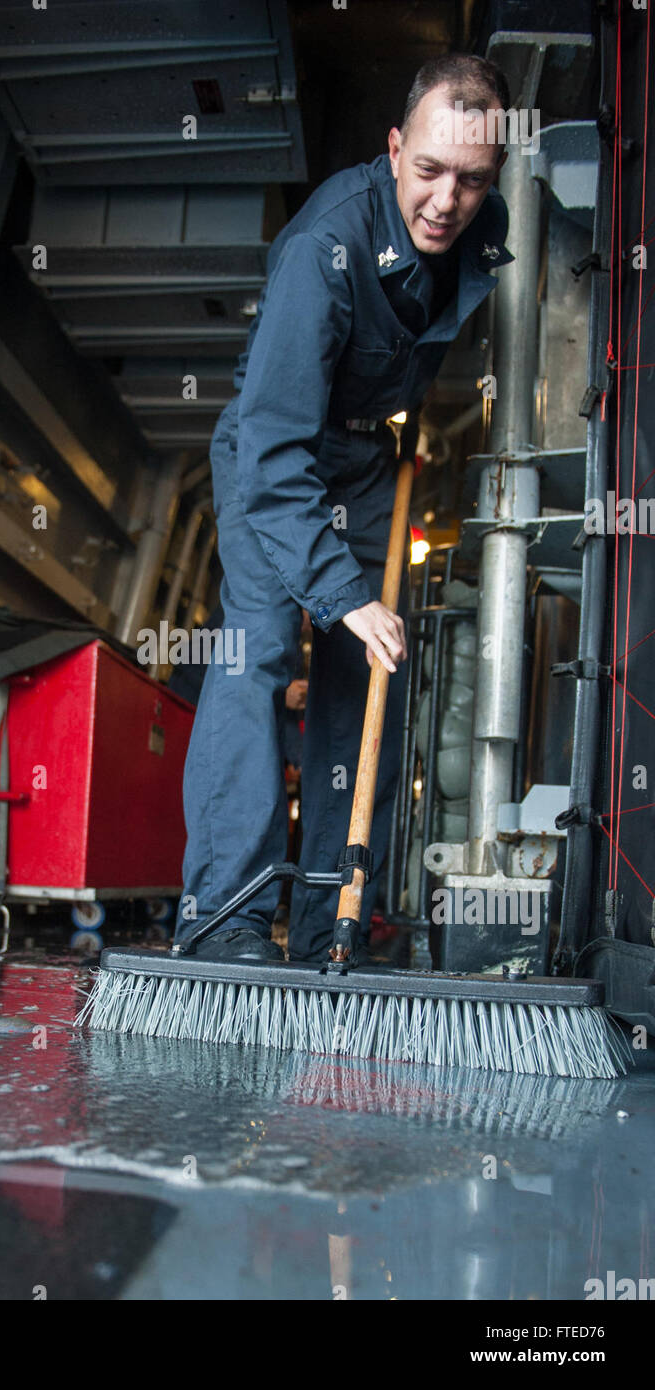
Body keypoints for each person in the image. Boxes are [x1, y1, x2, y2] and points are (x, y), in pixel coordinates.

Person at [177, 53, 515, 964]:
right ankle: (226, 917)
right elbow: (276, 451)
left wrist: (392, 429)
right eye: (431, 171)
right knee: (257, 650)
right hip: (276, 451)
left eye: (473, 180)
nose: (447, 199)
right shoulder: (321, 252)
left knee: (364, 678)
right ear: (395, 147)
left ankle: (334, 919)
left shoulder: (485, 232)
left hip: (366, 457)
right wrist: (339, 590)